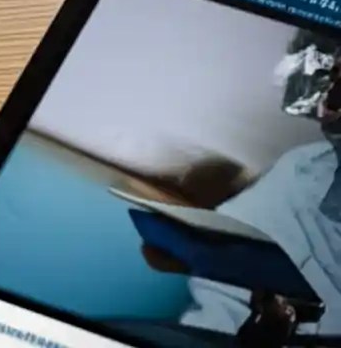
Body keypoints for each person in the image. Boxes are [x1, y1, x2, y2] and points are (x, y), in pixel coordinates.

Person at [145, 30, 341, 344]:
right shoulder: (300, 168)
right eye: (327, 79)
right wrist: (191, 252)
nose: (329, 105)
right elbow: (230, 251)